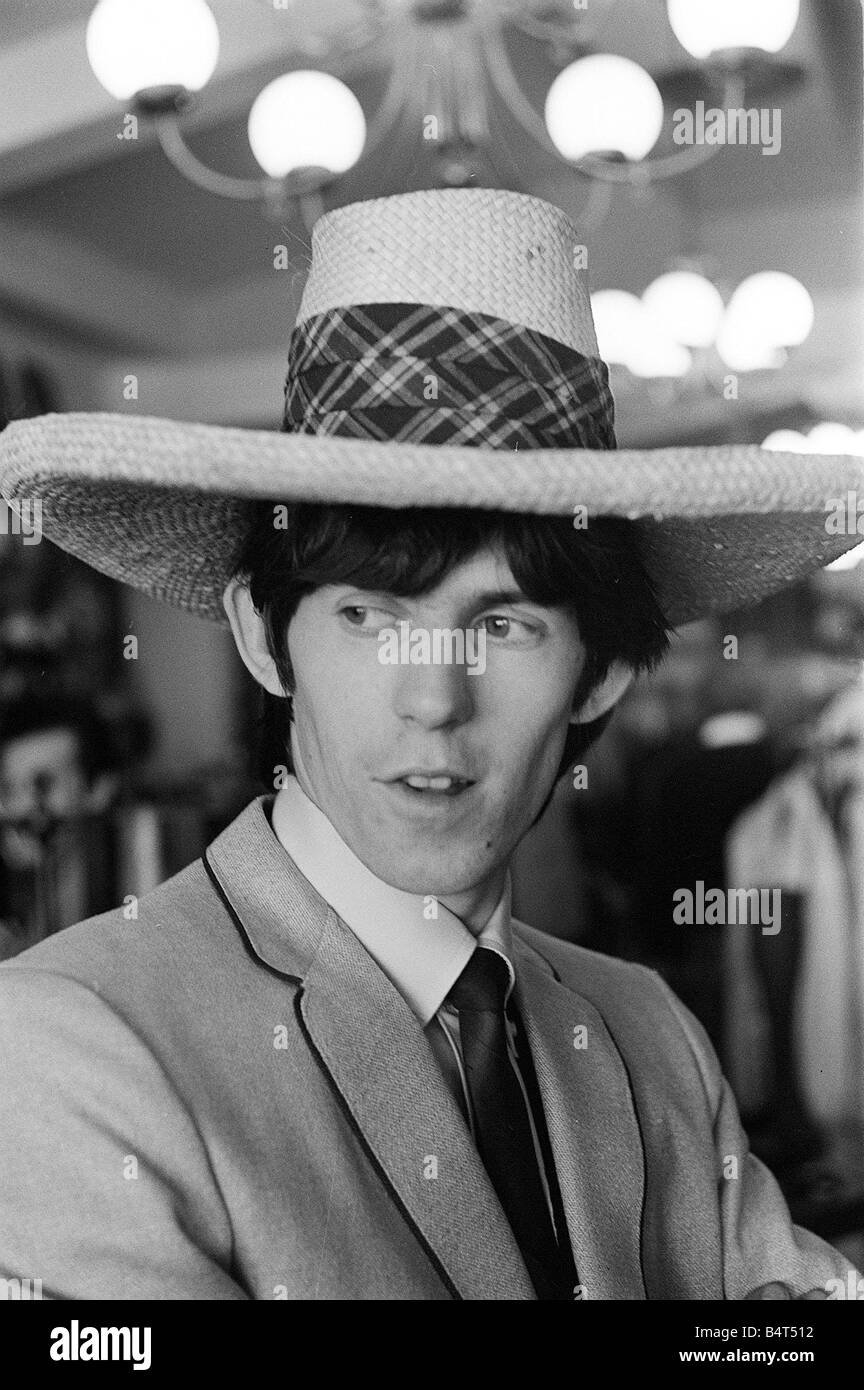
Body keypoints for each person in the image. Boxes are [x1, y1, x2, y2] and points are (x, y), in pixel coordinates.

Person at [0, 187, 861, 1301]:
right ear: (268, 638)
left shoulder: (650, 1034)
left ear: (600, 666)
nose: (434, 703)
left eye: (502, 624)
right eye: (368, 615)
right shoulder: (73, 1043)